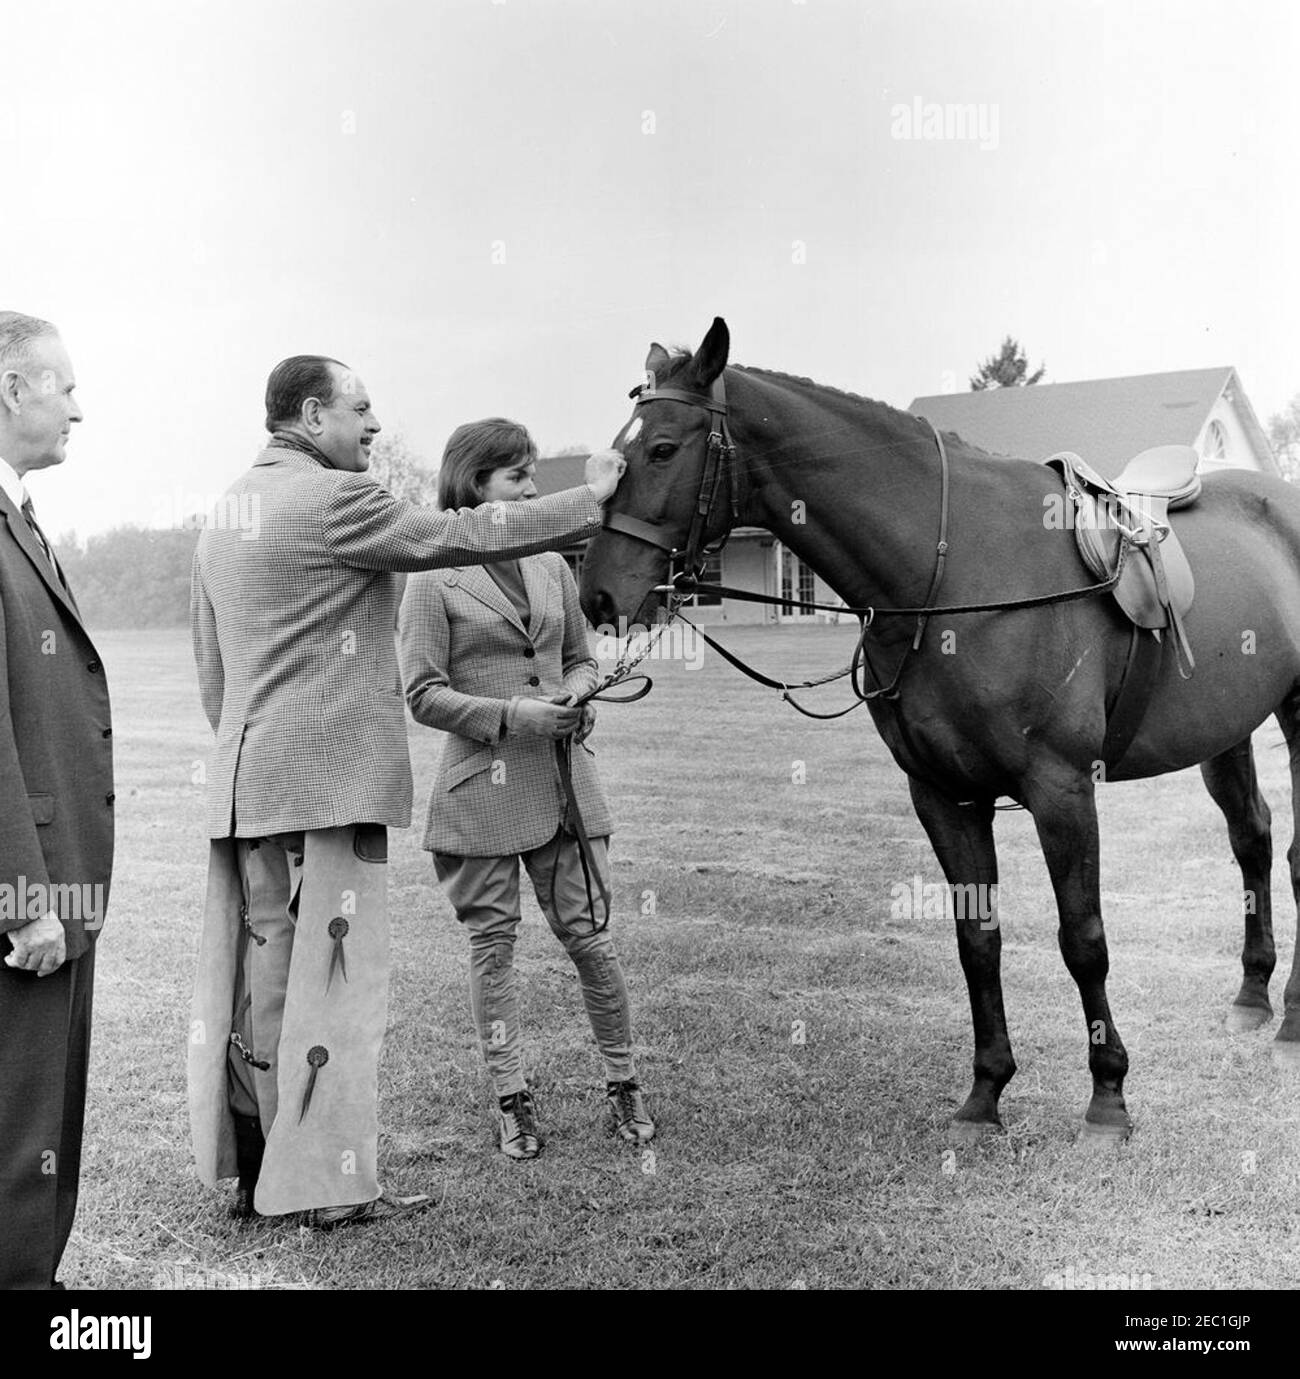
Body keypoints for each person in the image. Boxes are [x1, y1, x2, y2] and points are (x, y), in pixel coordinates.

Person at [189, 357, 625, 1228]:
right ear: (312, 416)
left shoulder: (224, 511)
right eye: (360, 409)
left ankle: (257, 1174)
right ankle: (326, 1191)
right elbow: (457, 536)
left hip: (248, 787)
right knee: (334, 992)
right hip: (330, 791)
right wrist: (593, 498)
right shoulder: (332, 500)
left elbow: (213, 673)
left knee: (257, 984)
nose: (375, 425)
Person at [399, 418, 653, 1161]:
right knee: (494, 949)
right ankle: (512, 1100)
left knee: (592, 939)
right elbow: (421, 693)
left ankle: (624, 1084)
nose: (534, 488)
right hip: (481, 793)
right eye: (518, 476)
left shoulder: (548, 564)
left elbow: (577, 656)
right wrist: (515, 716)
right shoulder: (431, 578)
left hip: (565, 782)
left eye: (534, 473)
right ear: (476, 483)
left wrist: (578, 694)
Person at [0, 312, 113, 1289]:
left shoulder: (21, 516)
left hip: (60, 882)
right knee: (20, 1125)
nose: (78, 405)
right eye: (63, 384)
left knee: (46, 1122)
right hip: (29, 896)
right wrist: (22, 894)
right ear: (10, 390)